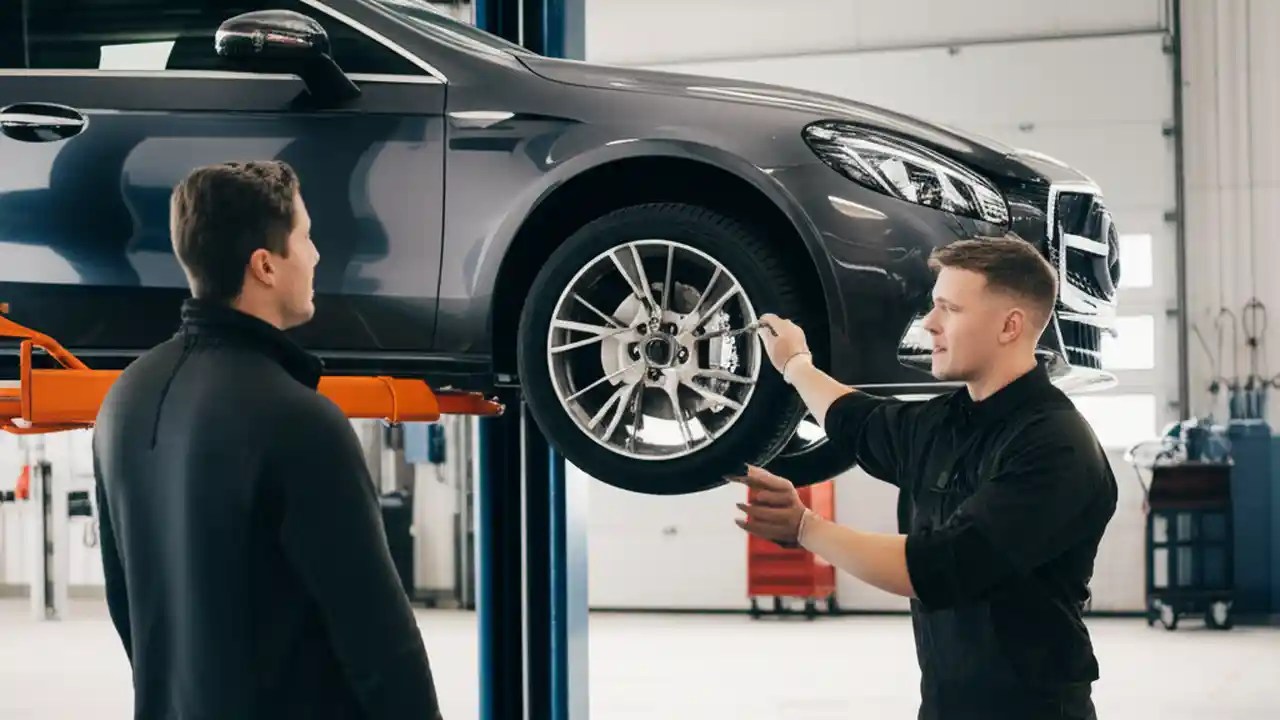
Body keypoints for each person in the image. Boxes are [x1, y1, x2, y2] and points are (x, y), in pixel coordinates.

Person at [92, 160, 443, 719]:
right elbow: (379, 642)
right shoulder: (301, 421)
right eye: (305, 237)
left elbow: (126, 604)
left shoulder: (124, 401)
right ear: (265, 266)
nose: (316, 255)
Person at [733, 237, 1117, 720]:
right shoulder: (941, 424)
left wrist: (806, 529)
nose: (929, 324)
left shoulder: (1057, 446)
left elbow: (943, 567)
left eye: (949, 309)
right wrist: (794, 364)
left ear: (1010, 325)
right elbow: (856, 421)